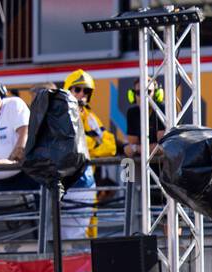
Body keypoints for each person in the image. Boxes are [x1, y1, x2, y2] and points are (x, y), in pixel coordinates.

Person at [62, 70, 117, 241]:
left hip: (84, 183)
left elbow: (111, 147)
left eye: (86, 91)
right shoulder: (58, 114)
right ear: (67, 90)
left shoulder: (89, 116)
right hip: (60, 183)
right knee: (58, 236)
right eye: (77, 89)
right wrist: (87, 146)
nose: (82, 94)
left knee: (87, 233)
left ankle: (84, 268)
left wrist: (86, 148)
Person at [123, 78, 166, 158]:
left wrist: (136, 148)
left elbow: (162, 147)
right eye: (139, 92)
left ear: (156, 94)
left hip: (165, 166)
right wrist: (135, 148)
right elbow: (130, 147)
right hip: (144, 163)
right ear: (133, 95)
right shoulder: (132, 112)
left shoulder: (162, 110)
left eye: (148, 92)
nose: (143, 96)